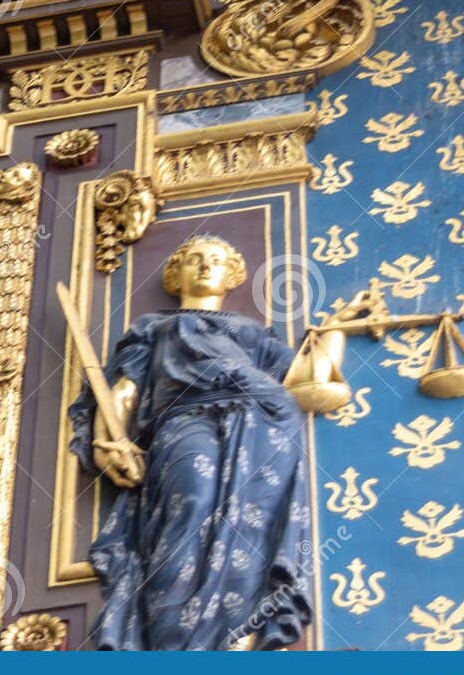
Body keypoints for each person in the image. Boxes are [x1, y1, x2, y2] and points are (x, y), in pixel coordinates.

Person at [69, 235, 312, 650]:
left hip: (261, 422)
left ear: (230, 275)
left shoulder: (252, 333)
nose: (204, 266)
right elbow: (124, 391)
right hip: (186, 417)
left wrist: (340, 329)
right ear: (175, 274)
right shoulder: (156, 328)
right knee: (193, 502)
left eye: (215, 260)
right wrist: (106, 441)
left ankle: (236, 633)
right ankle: (174, 636)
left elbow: (306, 379)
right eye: (194, 260)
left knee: (248, 525)